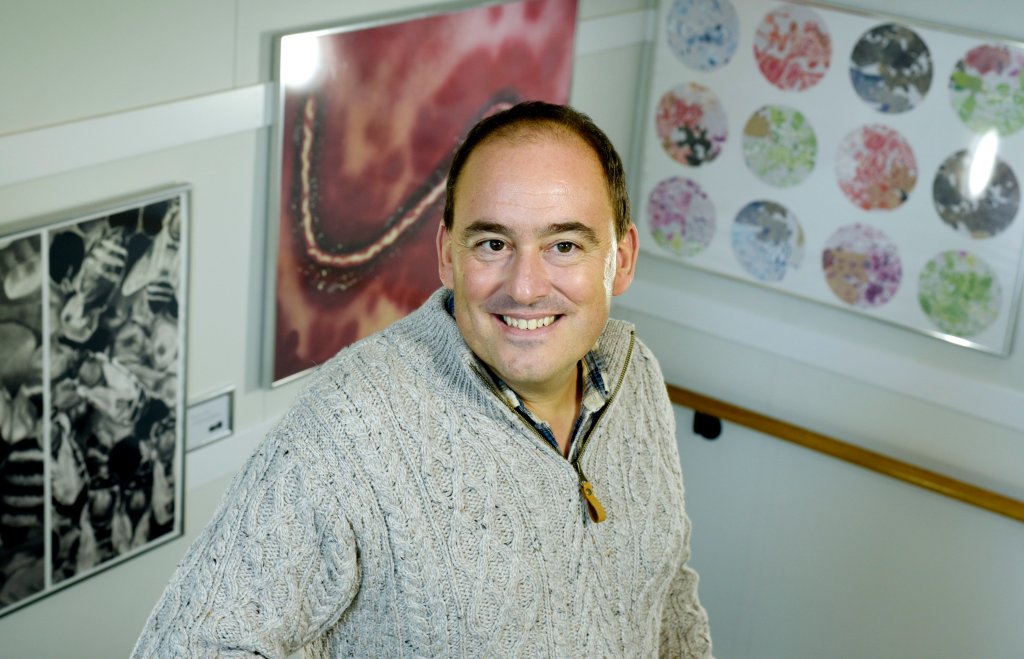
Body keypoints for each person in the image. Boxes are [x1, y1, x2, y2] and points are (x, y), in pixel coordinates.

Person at [133, 101, 712, 657]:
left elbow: (669, 594)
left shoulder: (637, 376)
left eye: (564, 245)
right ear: (446, 255)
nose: (527, 286)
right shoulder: (349, 427)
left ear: (623, 257)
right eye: (493, 244)